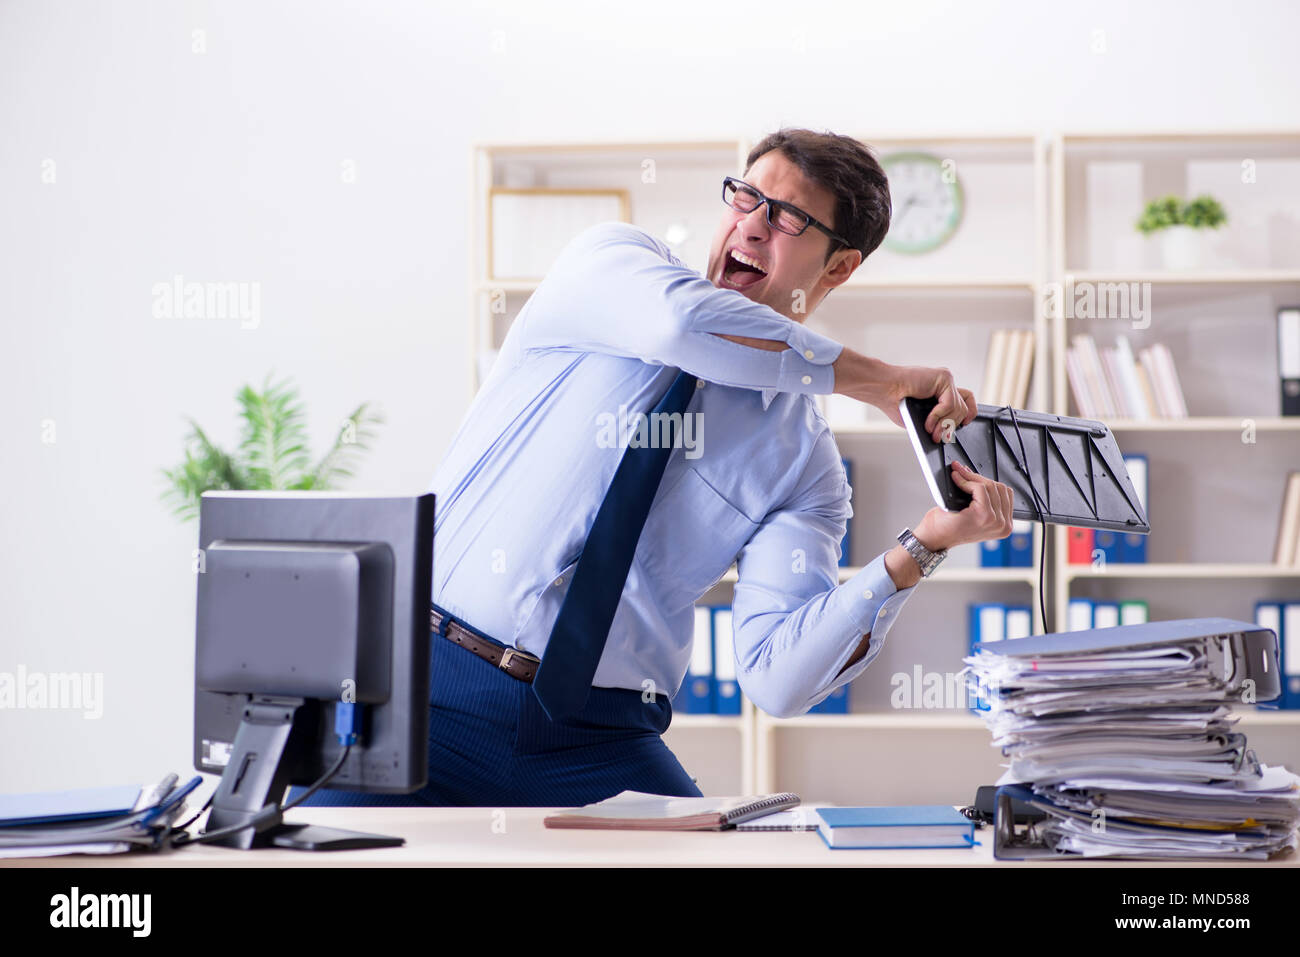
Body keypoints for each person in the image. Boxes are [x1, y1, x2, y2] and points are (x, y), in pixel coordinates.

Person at [293, 128, 1015, 808]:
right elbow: (682, 328)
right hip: (425, 688)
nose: (751, 225)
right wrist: (881, 381)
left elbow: (776, 673)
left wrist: (920, 547)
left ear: (840, 266)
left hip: (596, 739)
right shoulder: (612, 270)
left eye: (788, 215)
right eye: (744, 196)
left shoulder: (804, 464)